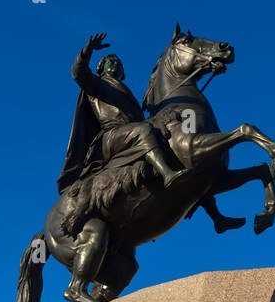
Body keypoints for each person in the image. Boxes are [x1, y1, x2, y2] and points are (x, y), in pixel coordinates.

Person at [57, 33, 185, 194]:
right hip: (110, 136)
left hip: (128, 131)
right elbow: (77, 72)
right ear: (101, 68)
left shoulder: (127, 92)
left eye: (118, 63)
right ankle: (167, 174)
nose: (115, 64)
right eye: (110, 62)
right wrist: (88, 49)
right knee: (142, 131)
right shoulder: (96, 84)